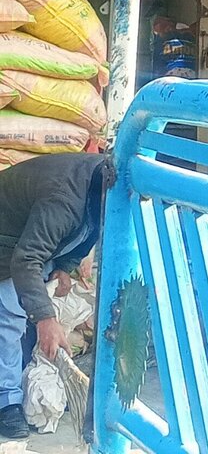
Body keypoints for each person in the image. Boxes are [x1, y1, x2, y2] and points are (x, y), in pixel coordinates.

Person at [0, 153, 106, 439]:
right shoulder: (65, 199)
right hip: (7, 244)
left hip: (27, 238)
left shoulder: (105, 187)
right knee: (10, 311)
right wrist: (45, 317)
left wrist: (63, 267)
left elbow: (87, 234)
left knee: (32, 309)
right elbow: (26, 260)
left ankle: (22, 375)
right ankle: (6, 401)